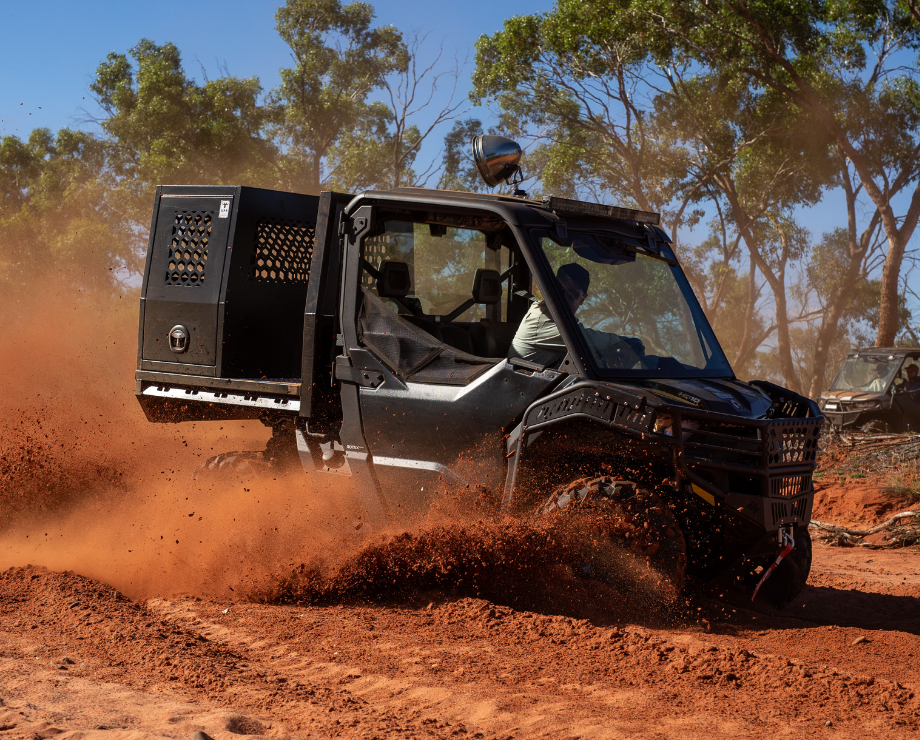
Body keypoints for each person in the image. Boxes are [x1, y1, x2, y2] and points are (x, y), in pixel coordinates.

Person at [508, 263, 642, 367]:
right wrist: (621, 342)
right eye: (559, 290)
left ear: (582, 298)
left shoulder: (561, 320)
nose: (563, 297)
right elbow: (583, 337)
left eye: (571, 294)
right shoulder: (543, 318)